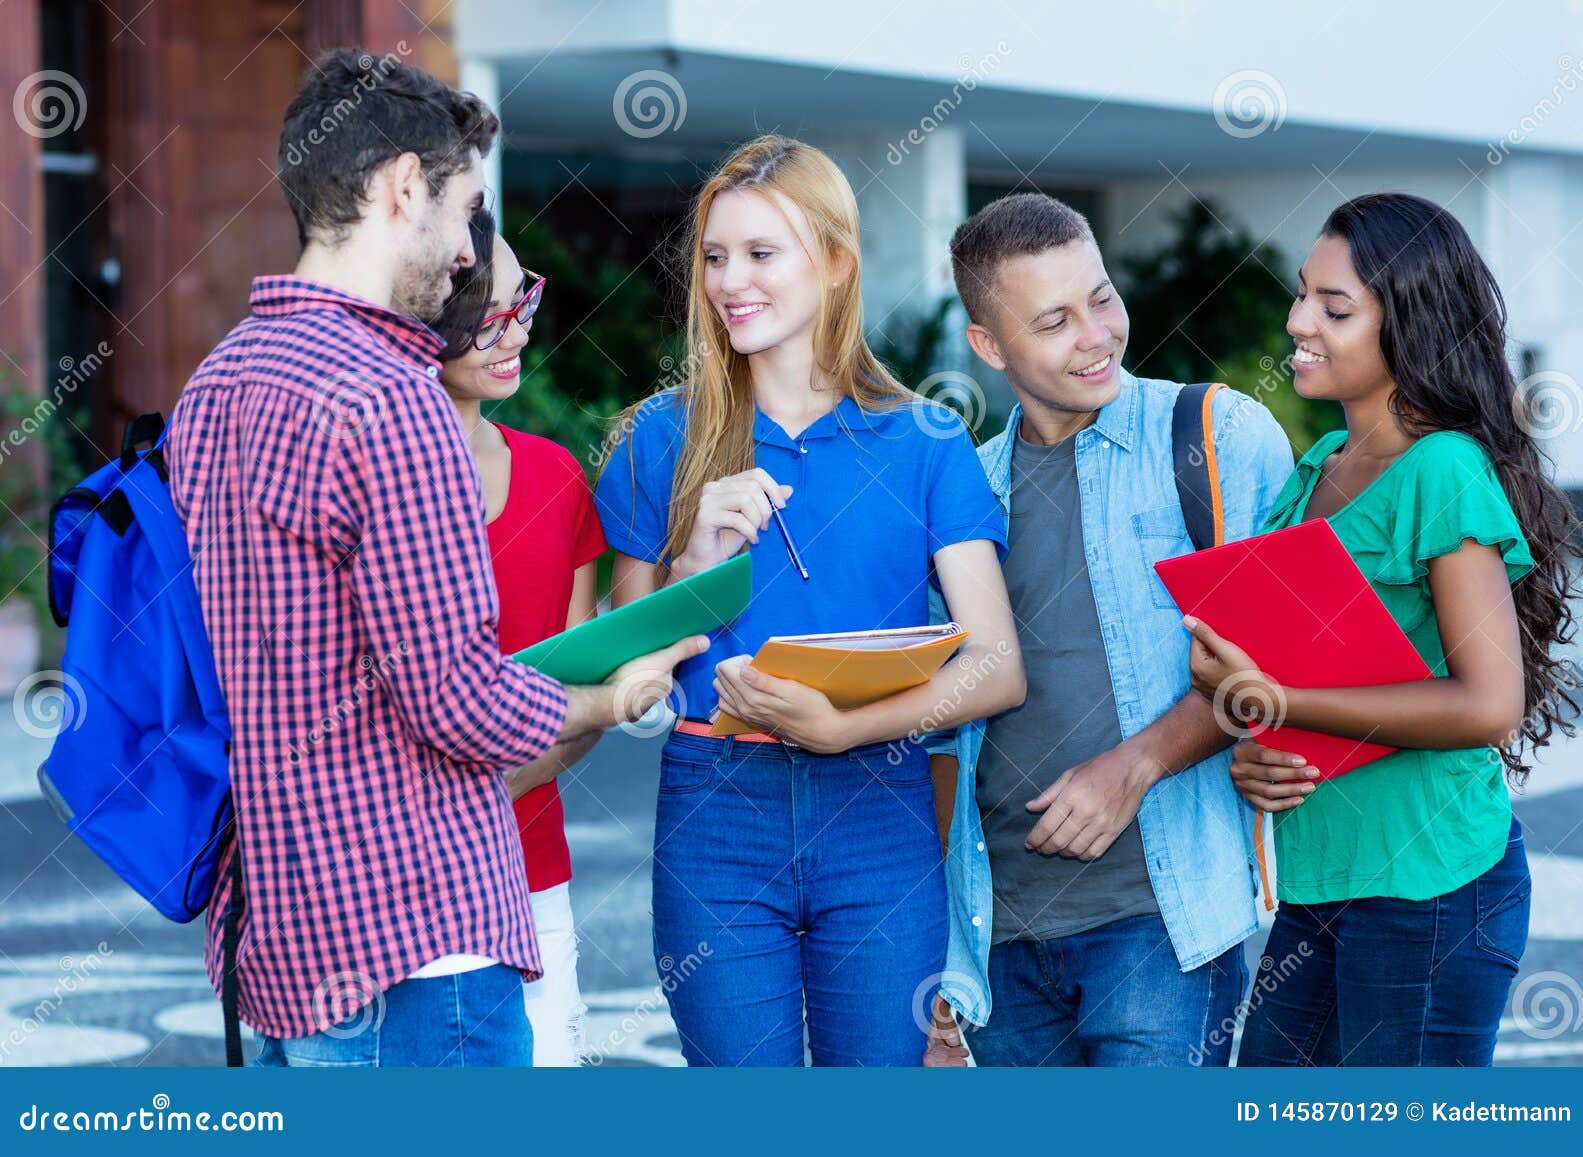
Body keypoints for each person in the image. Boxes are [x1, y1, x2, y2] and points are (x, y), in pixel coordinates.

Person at [166, 48, 702, 1068]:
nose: (468, 252)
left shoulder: (218, 382)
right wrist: (610, 694)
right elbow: (457, 700)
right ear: (404, 186)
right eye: (464, 211)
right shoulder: (393, 395)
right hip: (420, 942)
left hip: (281, 936)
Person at [594, 134, 1025, 1066]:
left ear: (834, 262)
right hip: (716, 810)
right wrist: (696, 565)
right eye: (714, 257)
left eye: (761, 253)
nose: (729, 281)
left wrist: (845, 730)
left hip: (880, 811)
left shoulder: (926, 439)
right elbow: (622, 679)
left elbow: (995, 666)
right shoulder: (656, 440)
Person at [1193, 193, 1583, 1067]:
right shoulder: (1310, 473)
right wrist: (1255, 738)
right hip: (1321, 881)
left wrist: (1280, 697)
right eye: (1303, 295)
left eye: (1335, 308)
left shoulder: (1441, 468)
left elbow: (1488, 703)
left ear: (1407, 324)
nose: (1299, 321)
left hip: (1429, 888)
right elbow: (1298, 676)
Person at [922, 192, 1295, 1068]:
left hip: (1159, 926)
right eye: (1054, 320)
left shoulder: (1219, 437)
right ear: (988, 345)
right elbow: (943, 737)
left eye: (1101, 298)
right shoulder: (965, 492)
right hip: (1000, 942)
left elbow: (1277, 665)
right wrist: (946, 957)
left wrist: (1136, 766)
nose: (1096, 334)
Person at [432, 209, 607, 1066]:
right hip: (391, 900)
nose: (516, 334)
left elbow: (578, 702)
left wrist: (453, 809)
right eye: (486, 316)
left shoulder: (556, 476)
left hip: (530, 878)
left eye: (523, 302)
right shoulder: (373, 486)